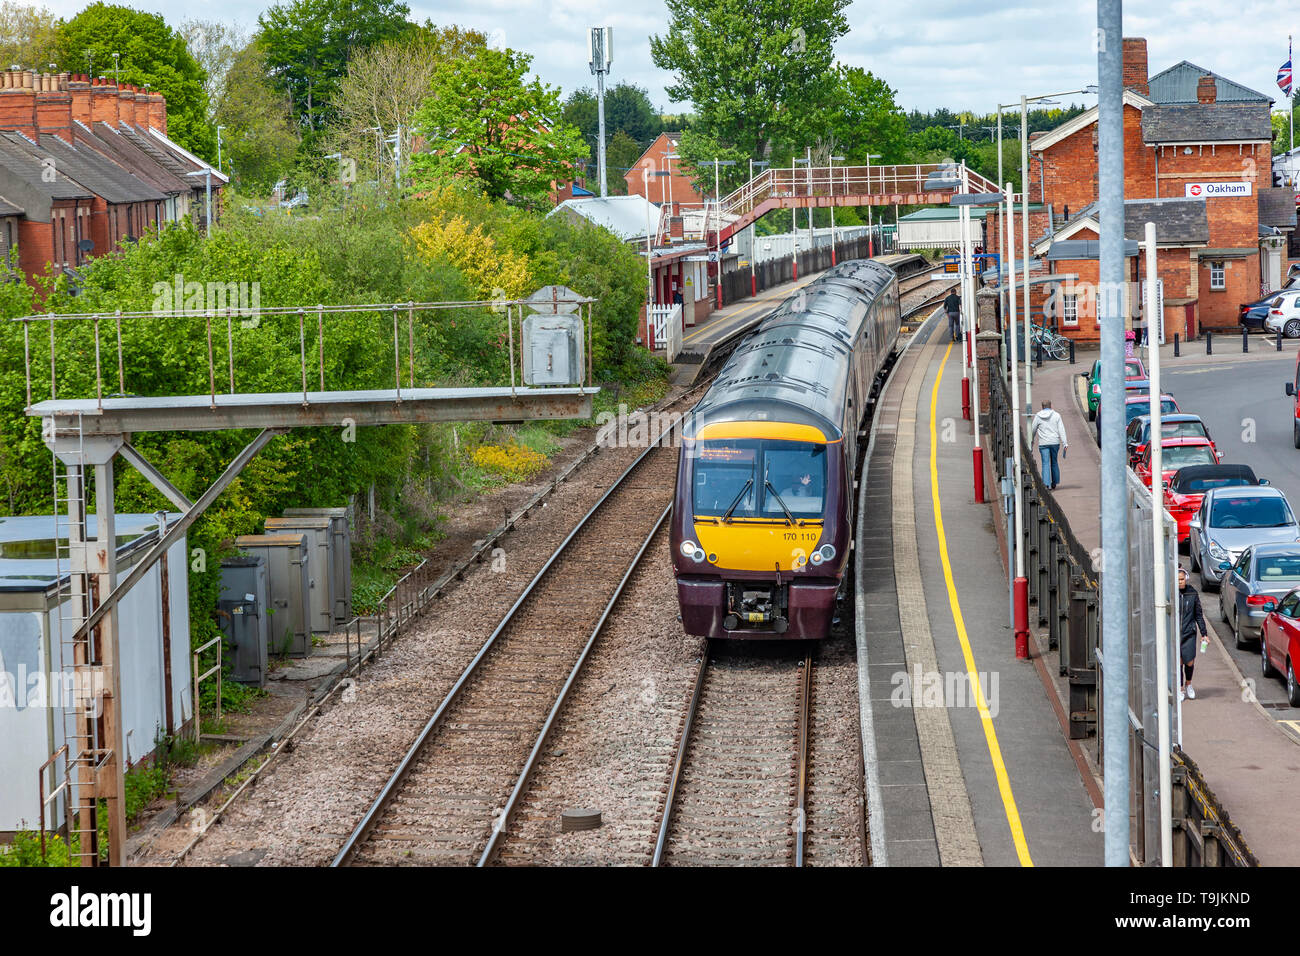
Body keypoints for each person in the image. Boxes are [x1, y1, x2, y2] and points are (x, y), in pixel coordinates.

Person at [1177, 567, 1208, 701]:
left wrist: (1204, 633)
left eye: (1182, 579)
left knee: (1189, 661)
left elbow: (1199, 615)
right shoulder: (1172, 594)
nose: (1180, 582)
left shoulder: (1192, 593)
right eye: (1177, 580)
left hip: (1189, 632)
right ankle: (1180, 689)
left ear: (1186, 579)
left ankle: (1188, 684)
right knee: (1179, 662)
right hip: (1176, 634)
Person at [1029, 398, 1068, 490]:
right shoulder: (1056, 415)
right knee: (1054, 462)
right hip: (1055, 442)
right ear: (1051, 406)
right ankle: (1054, 482)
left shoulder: (1038, 416)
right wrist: (1065, 443)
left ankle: (1047, 484)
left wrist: (1031, 440)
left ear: (1042, 407)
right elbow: (1061, 430)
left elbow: (1033, 429)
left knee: (1045, 463)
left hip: (1043, 443)